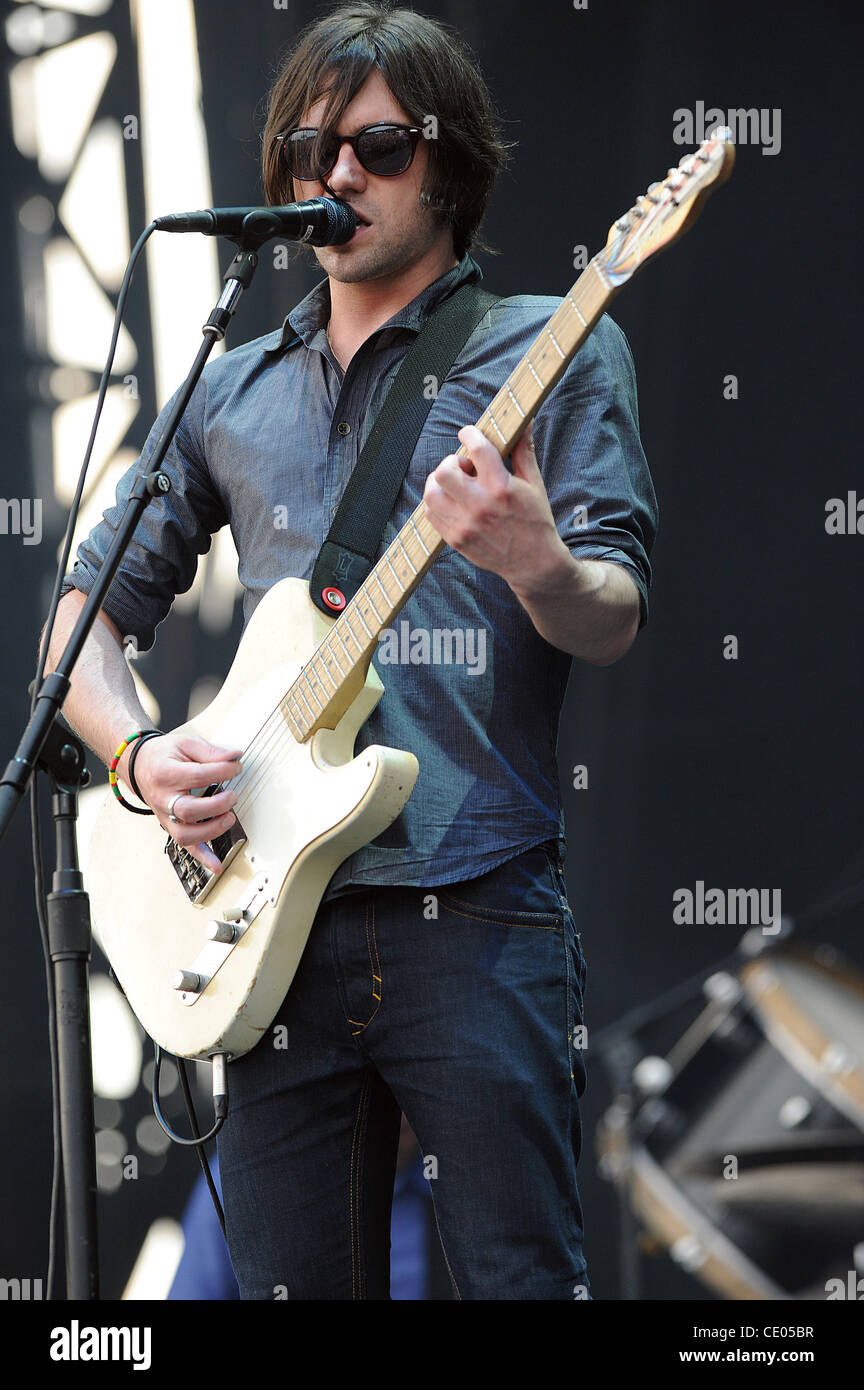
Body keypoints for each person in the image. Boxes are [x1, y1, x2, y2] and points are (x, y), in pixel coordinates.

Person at [45, 2, 657, 1298]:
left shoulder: (548, 348)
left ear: (452, 166)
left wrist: (533, 556)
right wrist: (142, 755)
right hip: (269, 924)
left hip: (478, 905)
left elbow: (613, 613)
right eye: (311, 147)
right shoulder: (230, 388)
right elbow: (80, 625)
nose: (338, 175)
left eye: (380, 147)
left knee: (517, 1282)